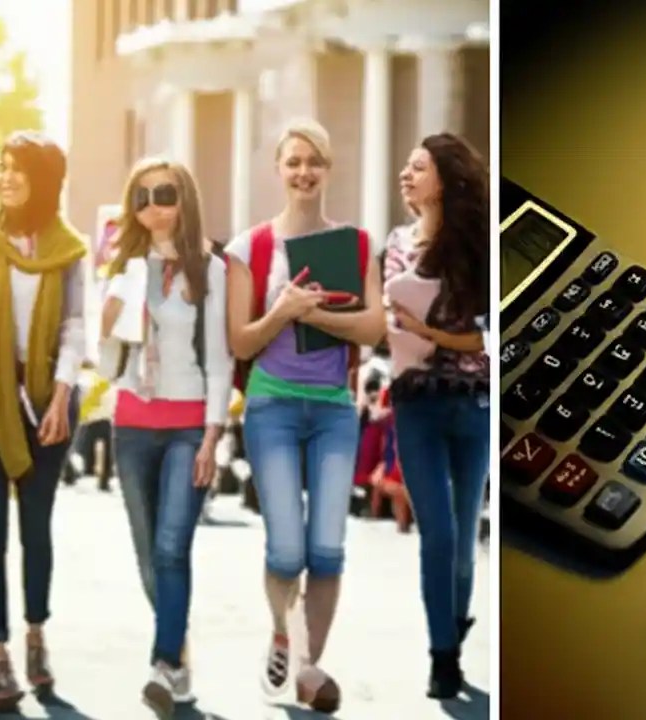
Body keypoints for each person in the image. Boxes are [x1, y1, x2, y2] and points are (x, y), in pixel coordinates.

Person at [225, 118, 384, 712]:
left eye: (314, 161)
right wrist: (283, 311)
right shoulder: (250, 248)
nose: (304, 172)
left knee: (327, 550)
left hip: (334, 409)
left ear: (328, 169)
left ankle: (308, 665)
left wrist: (315, 316)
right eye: (293, 161)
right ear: (278, 169)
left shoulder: (356, 244)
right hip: (271, 406)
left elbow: (373, 328)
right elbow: (241, 341)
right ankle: (281, 631)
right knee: (287, 551)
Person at [0, 130, 88, 712]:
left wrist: (61, 397)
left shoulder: (69, 249)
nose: (5, 177)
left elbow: (76, 326)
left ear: (45, 180)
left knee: (36, 524)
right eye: (1, 166)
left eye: (18, 168)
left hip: (48, 400)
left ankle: (35, 636)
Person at [99, 156, 231, 716]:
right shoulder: (123, 267)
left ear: (184, 201)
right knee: (149, 557)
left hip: (187, 425)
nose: (154, 206)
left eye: (165, 194)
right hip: (132, 423)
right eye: (143, 197)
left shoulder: (210, 269)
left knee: (173, 547)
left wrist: (212, 437)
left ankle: (161, 663)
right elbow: (106, 360)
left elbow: (221, 360)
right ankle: (179, 656)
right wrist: (108, 319)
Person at [383, 133, 490, 699]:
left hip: (475, 402)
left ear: (445, 179)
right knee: (439, 533)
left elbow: (487, 338)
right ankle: (442, 656)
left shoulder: (479, 245)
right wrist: (418, 333)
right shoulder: (397, 244)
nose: (406, 174)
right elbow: (391, 320)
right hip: (415, 402)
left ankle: (453, 625)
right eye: (406, 165)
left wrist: (430, 332)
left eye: (418, 166)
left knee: (465, 534)